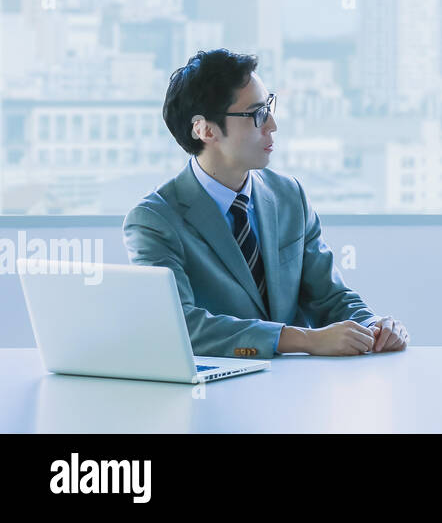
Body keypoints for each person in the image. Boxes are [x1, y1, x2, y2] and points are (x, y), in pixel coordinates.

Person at [123, 48, 409, 358]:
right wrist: (304, 339)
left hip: (299, 387)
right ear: (205, 130)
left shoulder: (289, 196)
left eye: (269, 107)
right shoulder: (154, 220)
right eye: (257, 113)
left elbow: (330, 297)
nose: (271, 124)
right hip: (215, 394)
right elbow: (181, 326)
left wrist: (373, 326)